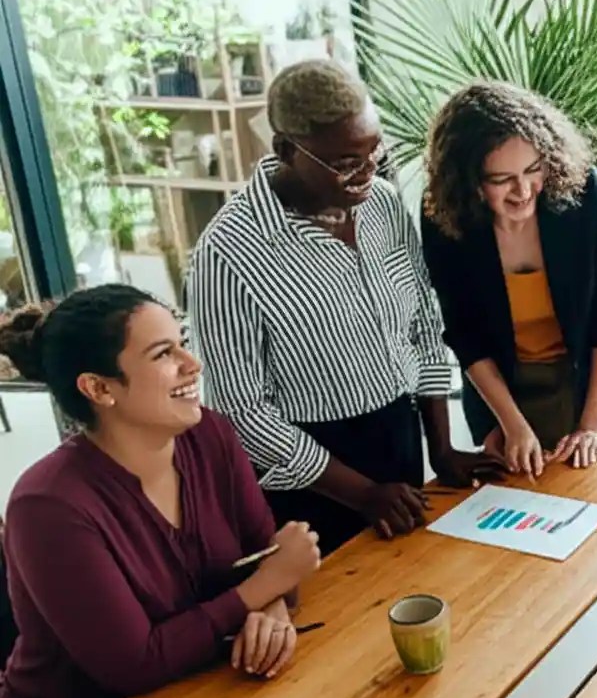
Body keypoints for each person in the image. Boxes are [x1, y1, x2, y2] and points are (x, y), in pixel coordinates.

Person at [185, 60, 504, 556]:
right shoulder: (228, 252)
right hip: (312, 477)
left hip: (400, 437)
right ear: (287, 150)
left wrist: (439, 447)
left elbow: (421, 322)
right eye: (346, 161)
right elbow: (241, 411)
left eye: (375, 151)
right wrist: (362, 493)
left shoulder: (382, 203)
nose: (367, 172)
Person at [0, 285, 321, 698]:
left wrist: (273, 611)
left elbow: (263, 557)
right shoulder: (46, 507)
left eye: (183, 344)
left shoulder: (212, 435)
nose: (193, 364)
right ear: (97, 387)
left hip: (207, 689)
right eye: (163, 354)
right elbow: (133, 663)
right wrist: (266, 587)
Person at [420, 81, 597, 476]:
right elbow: (463, 332)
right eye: (501, 179)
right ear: (469, 181)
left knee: (587, 487)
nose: (523, 190)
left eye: (533, 170)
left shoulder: (586, 196)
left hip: (590, 377)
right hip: (503, 387)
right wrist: (512, 424)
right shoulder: (444, 218)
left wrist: (594, 425)